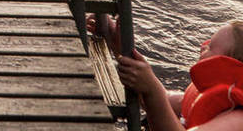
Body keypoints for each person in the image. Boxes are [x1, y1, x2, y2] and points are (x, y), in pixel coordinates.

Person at [89, 14, 243, 130]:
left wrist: (151, 89)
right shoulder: (207, 96)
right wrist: (120, 49)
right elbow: (160, 101)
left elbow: (154, 96)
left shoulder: (238, 120)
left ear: (229, 64)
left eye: (211, 47)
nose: (202, 46)